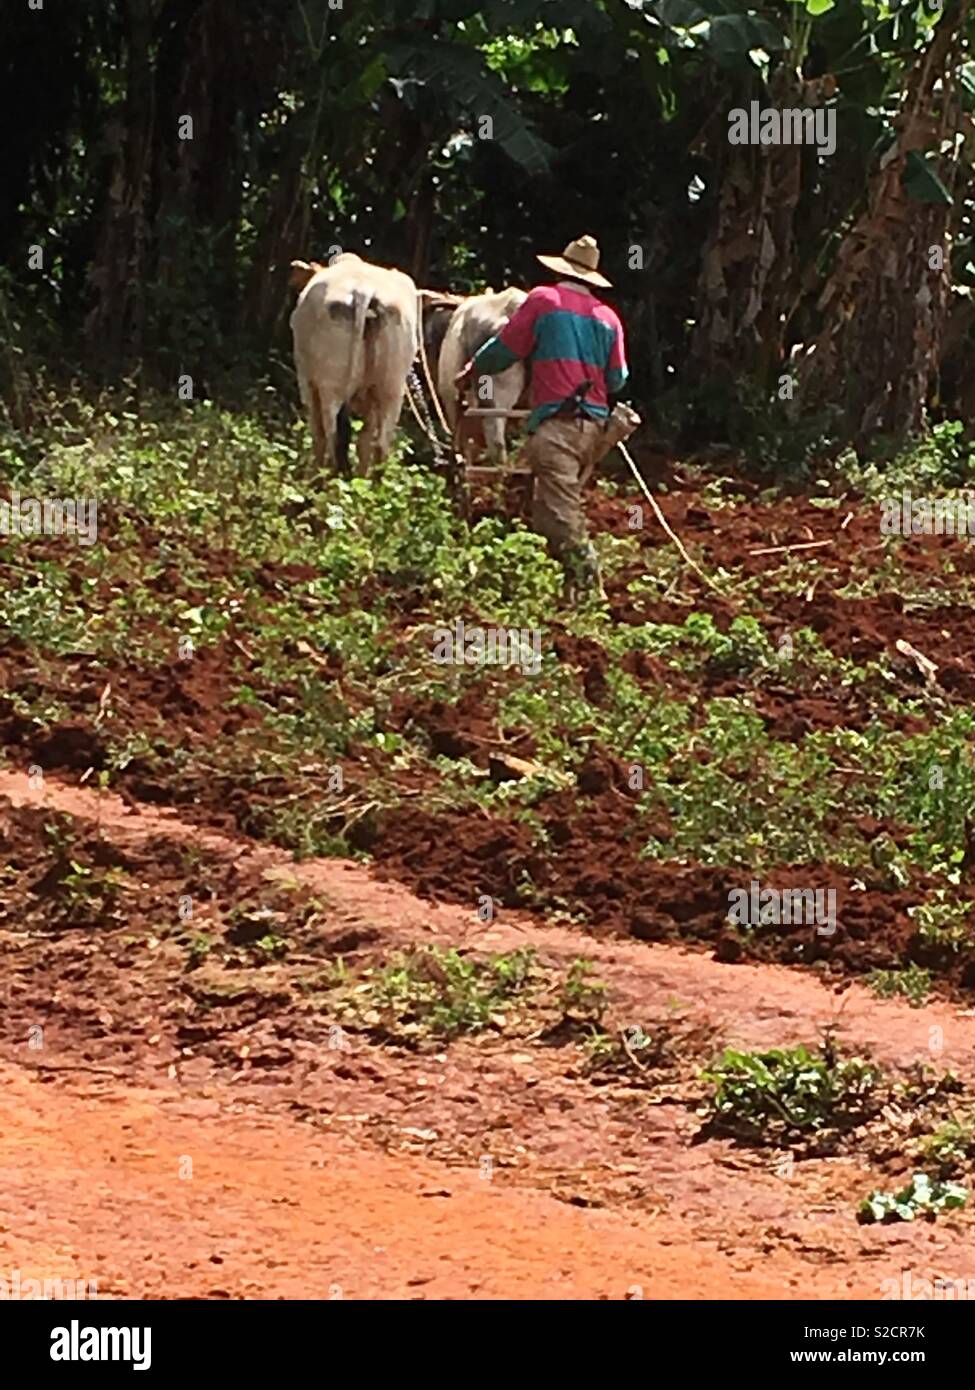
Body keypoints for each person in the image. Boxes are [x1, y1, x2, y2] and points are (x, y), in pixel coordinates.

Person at [457, 234, 628, 601]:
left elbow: (507, 348)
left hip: (556, 428)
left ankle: (590, 587)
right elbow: (618, 380)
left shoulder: (544, 300)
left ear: (561, 269)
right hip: (594, 431)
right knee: (546, 510)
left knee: (562, 517)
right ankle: (564, 592)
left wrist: (474, 367)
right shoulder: (609, 319)